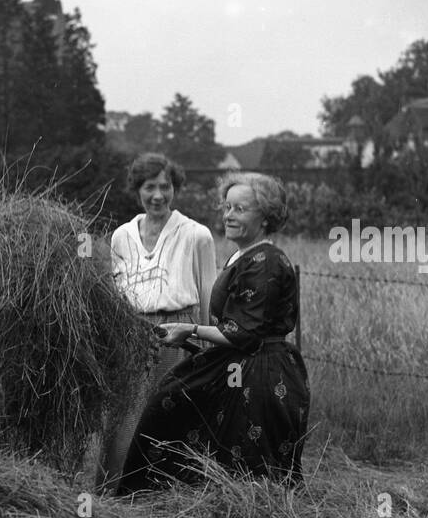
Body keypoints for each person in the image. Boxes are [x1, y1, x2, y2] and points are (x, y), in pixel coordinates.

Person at [122, 171, 310, 490]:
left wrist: (189, 329)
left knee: (250, 469)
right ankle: (158, 497)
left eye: (240, 209)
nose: (228, 215)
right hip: (240, 363)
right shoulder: (243, 255)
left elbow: (243, 332)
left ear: (265, 216)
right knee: (171, 405)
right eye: (226, 207)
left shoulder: (266, 261)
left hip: (261, 372)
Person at [96, 152, 216, 491]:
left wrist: (207, 345)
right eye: (150, 187)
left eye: (166, 186)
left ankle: (165, 492)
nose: (158, 195)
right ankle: (116, 489)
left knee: (170, 413)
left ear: (176, 189)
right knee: (125, 414)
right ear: (137, 190)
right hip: (133, 333)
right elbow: (116, 290)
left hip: (178, 334)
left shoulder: (196, 235)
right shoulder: (121, 236)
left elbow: (208, 291)